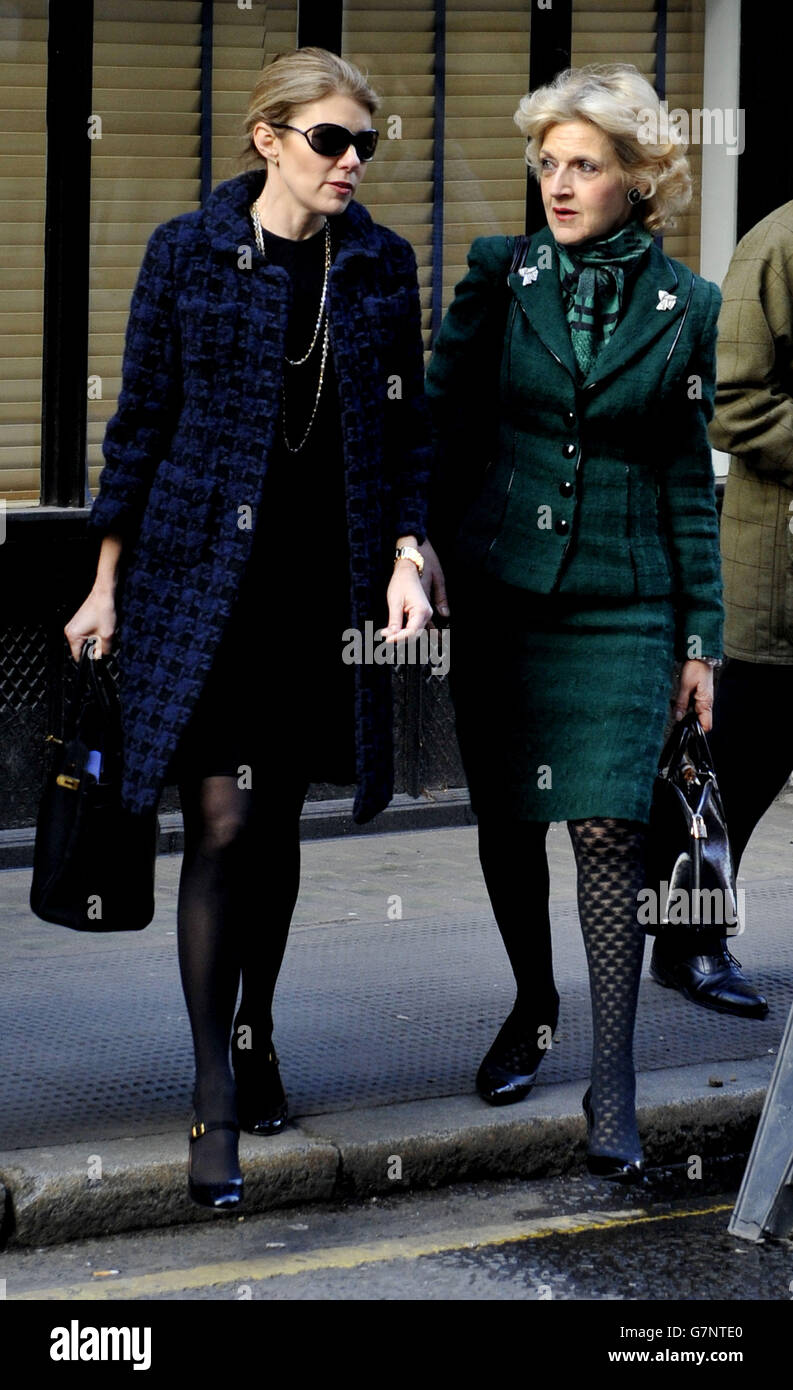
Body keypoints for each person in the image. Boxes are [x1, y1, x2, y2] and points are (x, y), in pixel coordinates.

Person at [64, 48, 440, 1211]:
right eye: (330, 139)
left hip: (314, 592)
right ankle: (212, 1086)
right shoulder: (187, 250)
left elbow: (410, 433)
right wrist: (104, 580)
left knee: (272, 824)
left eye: (365, 144)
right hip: (196, 581)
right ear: (267, 136)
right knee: (221, 821)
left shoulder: (379, 264)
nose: (351, 163)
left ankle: (260, 1026)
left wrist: (406, 553)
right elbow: (140, 422)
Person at [426, 64, 723, 1181]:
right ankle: (531, 1005)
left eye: (583, 164)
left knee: (608, 829)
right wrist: (419, 547)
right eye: (546, 162)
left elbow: (688, 484)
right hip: (503, 593)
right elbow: (441, 422)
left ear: (638, 178)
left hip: (628, 602)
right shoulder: (499, 276)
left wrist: (703, 642)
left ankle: (615, 1081)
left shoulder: (688, 308)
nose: (557, 182)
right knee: (512, 819)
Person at [650, 204, 793, 1019]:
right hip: (776, 577)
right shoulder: (776, 246)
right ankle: (686, 945)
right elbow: (731, 400)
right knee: (733, 774)